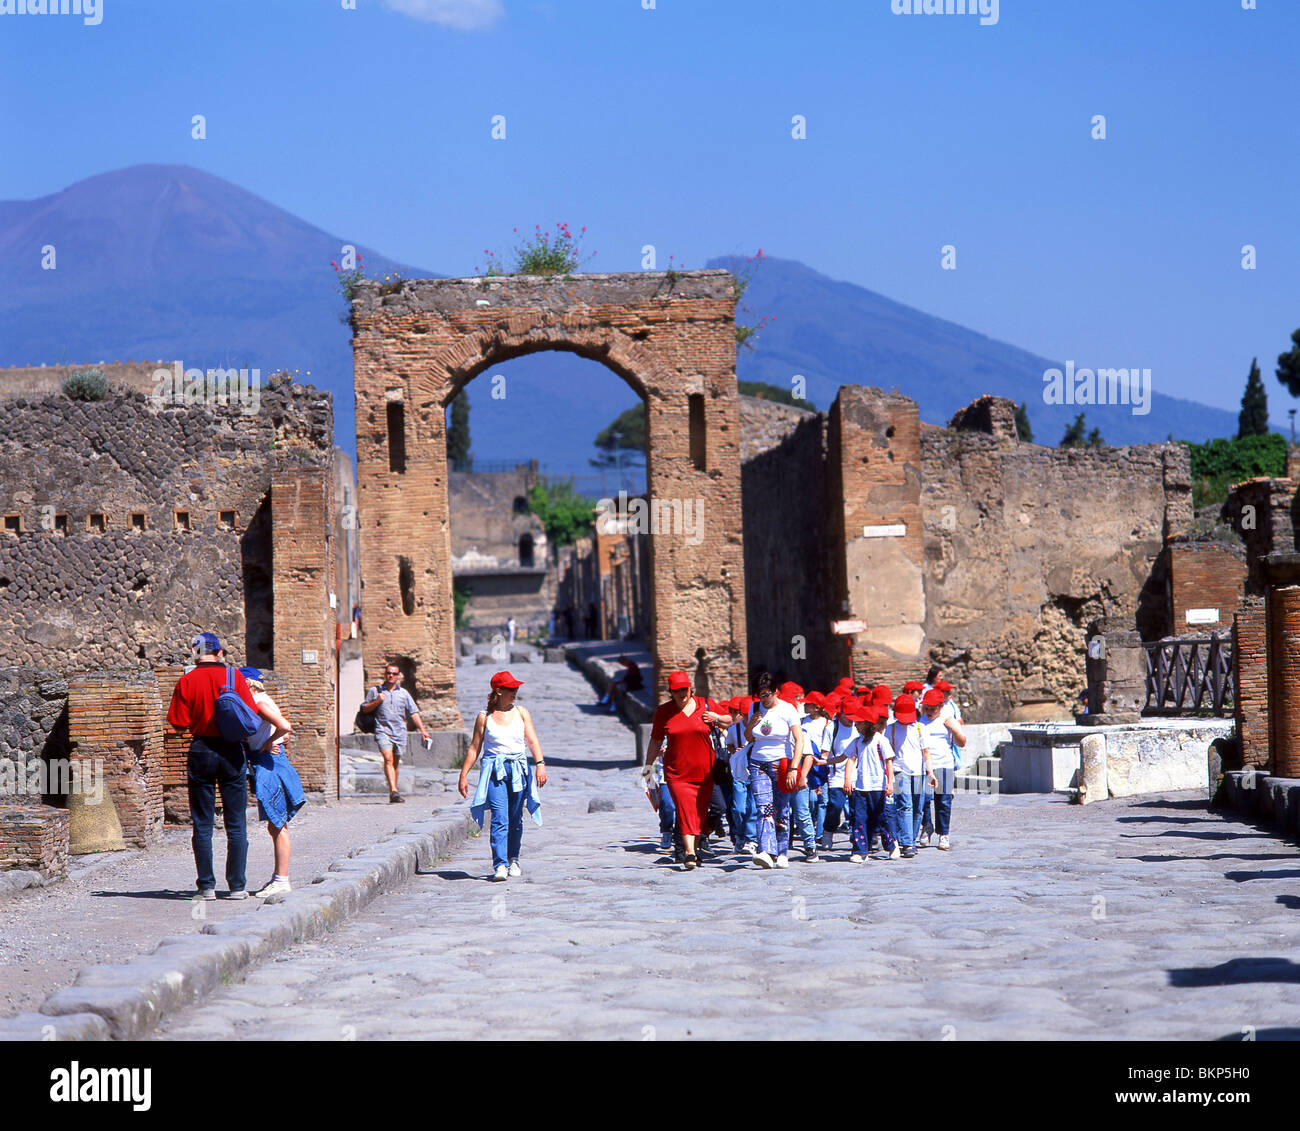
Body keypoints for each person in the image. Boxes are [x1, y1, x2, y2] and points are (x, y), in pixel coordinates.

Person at [166, 633, 260, 900]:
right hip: (232, 750)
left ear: (195, 654)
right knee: (236, 822)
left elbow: (178, 722)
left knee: (203, 823)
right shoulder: (235, 677)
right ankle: (237, 886)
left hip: (201, 750)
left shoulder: (186, 680)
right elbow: (250, 714)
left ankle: (206, 886)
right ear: (219, 653)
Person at [459, 671, 547, 880]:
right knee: (499, 818)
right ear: (498, 691)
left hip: (518, 769)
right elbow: (474, 748)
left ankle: (513, 859)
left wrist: (540, 764)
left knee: (516, 818)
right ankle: (500, 864)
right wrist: (463, 775)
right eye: (510, 688)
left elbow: (532, 740)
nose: (515, 691)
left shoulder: (521, 712)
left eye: (516, 688)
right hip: (494, 772)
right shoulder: (484, 717)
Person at [641, 671, 731, 870]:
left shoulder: (705, 705)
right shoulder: (664, 712)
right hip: (676, 771)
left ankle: (695, 850)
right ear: (671, 692)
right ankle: (689, 852)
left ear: (690, 688)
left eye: (684, 689)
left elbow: (730, 721)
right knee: (684, 810)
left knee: (698, 812)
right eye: (676, 691)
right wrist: (648, 768)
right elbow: (655, 741)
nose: (682, 694)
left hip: (705, 772)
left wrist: (716, 718)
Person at [238, 667, 305, 898]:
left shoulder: (258, 702)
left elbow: (285, 727)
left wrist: (268, 742)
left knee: (277, 823)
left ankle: (282, 879)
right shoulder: (265, 699)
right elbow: (284, 733)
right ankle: (279, 877)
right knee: (275, 824)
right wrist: (274, 738)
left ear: (247, 683)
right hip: (271, 761)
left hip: (268, 762)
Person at [745, 670, 805, 869]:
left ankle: (781, 852)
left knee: (782, 809)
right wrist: (750, 725)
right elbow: (749, 738)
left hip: (781, 763)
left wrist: (794, 768)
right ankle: (765, 851)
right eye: (761, 695)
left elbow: (799, 740)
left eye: (767, 694)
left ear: (775, 692)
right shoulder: (754, 708)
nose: (764, 698)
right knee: (764, 808)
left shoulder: (788, 710)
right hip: (757, 763)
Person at [359, 663, 431, 803]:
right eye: (388, 673)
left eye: (394, 673)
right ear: (385, 674)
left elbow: (413, 712)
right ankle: (393, 791)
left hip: (400, 732)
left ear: (398, 676)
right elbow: (364, 709)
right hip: (382, 730)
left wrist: (423, 730)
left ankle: (394, 790)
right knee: (388, 758)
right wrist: (377, 701)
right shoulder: (376, 691)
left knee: (395, 763)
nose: (391, 676)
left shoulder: (403, 693)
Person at [883, 693, 937, 859]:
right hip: (900, 771)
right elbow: (888, 756)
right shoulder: (890, 730)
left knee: (918, 808)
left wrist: (930, 773)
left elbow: (926, 753)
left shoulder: (920, 728)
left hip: (918, 772)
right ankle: (907, 843)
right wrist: (889, 777)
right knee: (905, 805)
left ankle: (910, 838)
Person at [843, 703, 898, 861]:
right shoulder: (857, 741)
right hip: (861, 787)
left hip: (878, 787)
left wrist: (889, 783)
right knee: (859, 819)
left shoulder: (881, 741)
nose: (855, 725)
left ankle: (891, 846)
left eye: (858, 723)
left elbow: (888, 763)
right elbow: (850, 760)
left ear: (868, 724)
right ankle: (861, 850)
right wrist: (847, 779)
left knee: (881, 819)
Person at [918, 687, 965, 850]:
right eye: (927, 708)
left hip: (944, 764)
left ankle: (943, 833)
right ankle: (927, 825)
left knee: (943, 801)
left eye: (933, 708)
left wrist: (953, 728)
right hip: (924, 766)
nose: (929, 711)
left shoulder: (947, 720)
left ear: (940, 707)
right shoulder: (919, 722)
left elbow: (962, 742)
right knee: (923, 800)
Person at [817, 693, 859, 853]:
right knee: (835, 805)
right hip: (836, 775)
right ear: (841, 713)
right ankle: (828, 831)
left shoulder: (859, 726)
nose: (852, 720)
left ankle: (857, 836)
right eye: (849, 716)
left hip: (857, 775)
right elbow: (825, 753)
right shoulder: (832, 728)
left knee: (857, 808)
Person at [725, 696, 758, 855]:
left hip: (754, 772)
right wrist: (734, 752)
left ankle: (750, 838)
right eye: (743, 714)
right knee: (738, 808)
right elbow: (729, 745)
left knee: (752, 808)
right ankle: (739, 834)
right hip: (739, 773)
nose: (746, 717)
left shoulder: (759, 727)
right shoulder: (734, 729)